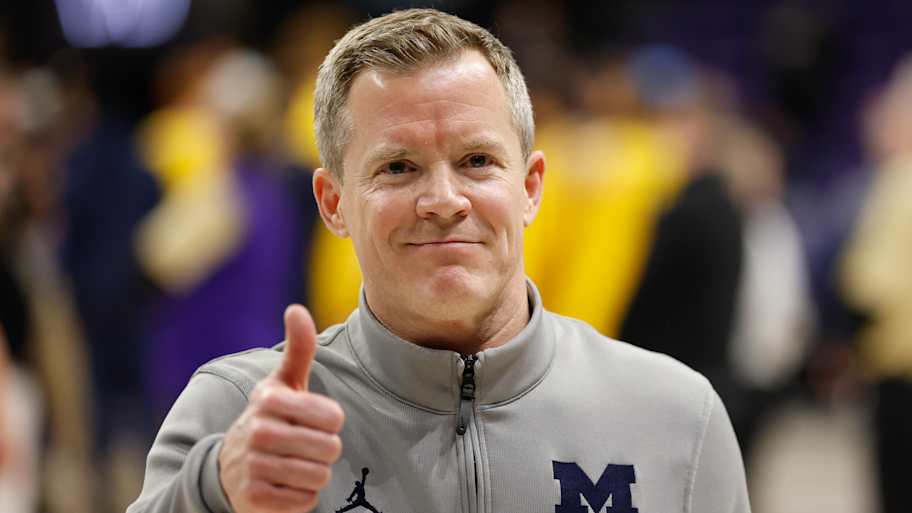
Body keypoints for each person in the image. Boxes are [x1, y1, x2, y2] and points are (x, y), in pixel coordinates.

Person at [127, 8, 750, 513]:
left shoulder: (675, 417)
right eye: (398, 168)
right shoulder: (237, 413)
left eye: (477, 161)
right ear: (334, 203)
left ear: (530, 187)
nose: (444, 201)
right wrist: (213, 490)